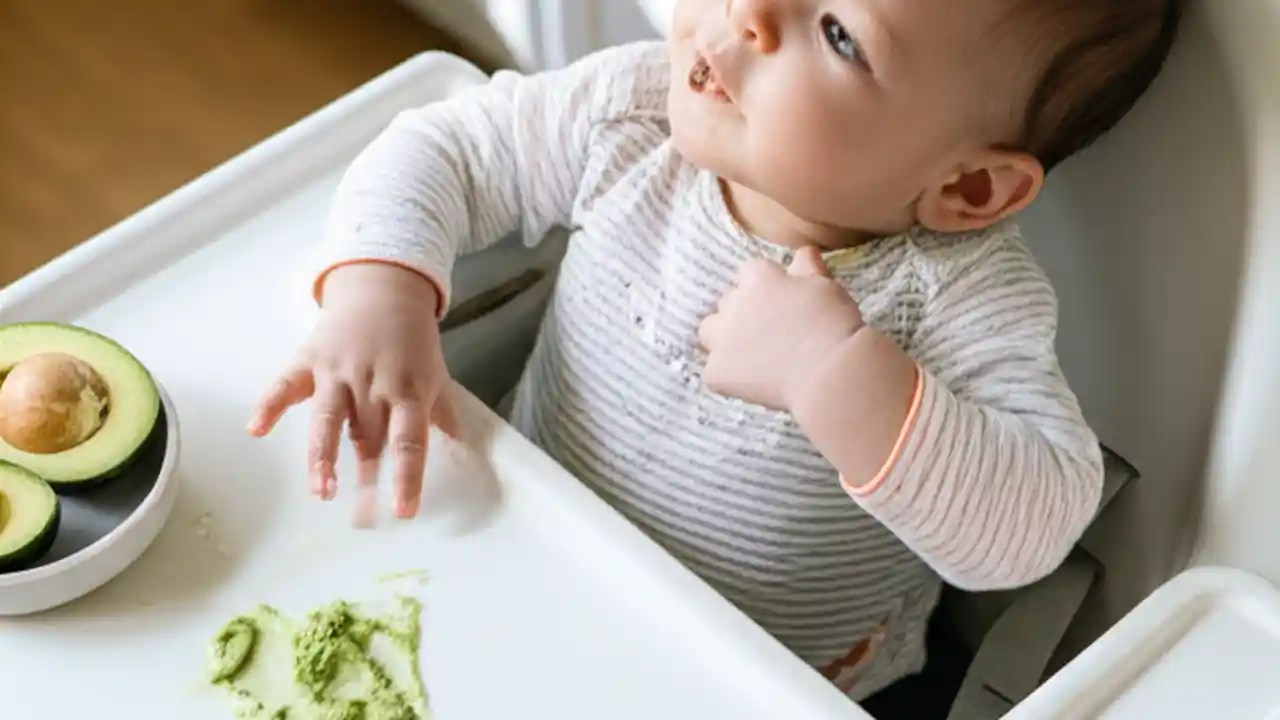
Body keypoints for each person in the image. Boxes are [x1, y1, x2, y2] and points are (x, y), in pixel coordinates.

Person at [247, 0, 1181, 700]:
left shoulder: (956, 294)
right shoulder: (635, 110)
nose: (749, 15)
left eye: (839, 33)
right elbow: (448, 149)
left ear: (969, 186)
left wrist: (837, 375)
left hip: (755, 679)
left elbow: (1034, 522)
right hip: (525, 554)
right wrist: (381, 289)